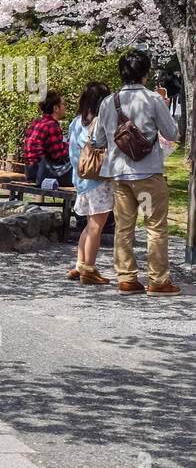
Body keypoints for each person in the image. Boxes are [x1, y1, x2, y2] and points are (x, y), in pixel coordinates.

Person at [90, 49, 181, 295]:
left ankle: (127, 278)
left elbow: (98, 140)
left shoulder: (109, 102)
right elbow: (172, 133)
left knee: (124, 227)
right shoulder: (153, 99)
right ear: (146, 73)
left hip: (119, 176)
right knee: (155, 227)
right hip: (148, 174)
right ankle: (158, 281)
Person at [66, 82, 113, 286]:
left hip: (81, 181)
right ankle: (90, 270)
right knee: (96, 227)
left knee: (88, 226)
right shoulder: (100, 123)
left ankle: (80, 265)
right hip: (98, 182)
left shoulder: (76, 122)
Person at [23, 91, 72, 185]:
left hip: (30, 171)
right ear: (56, 108)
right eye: (63, 104)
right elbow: (58, 155)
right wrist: (72, 144)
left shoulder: (37, 122)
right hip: (42, 172)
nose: (65, 107)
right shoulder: (52, 126)